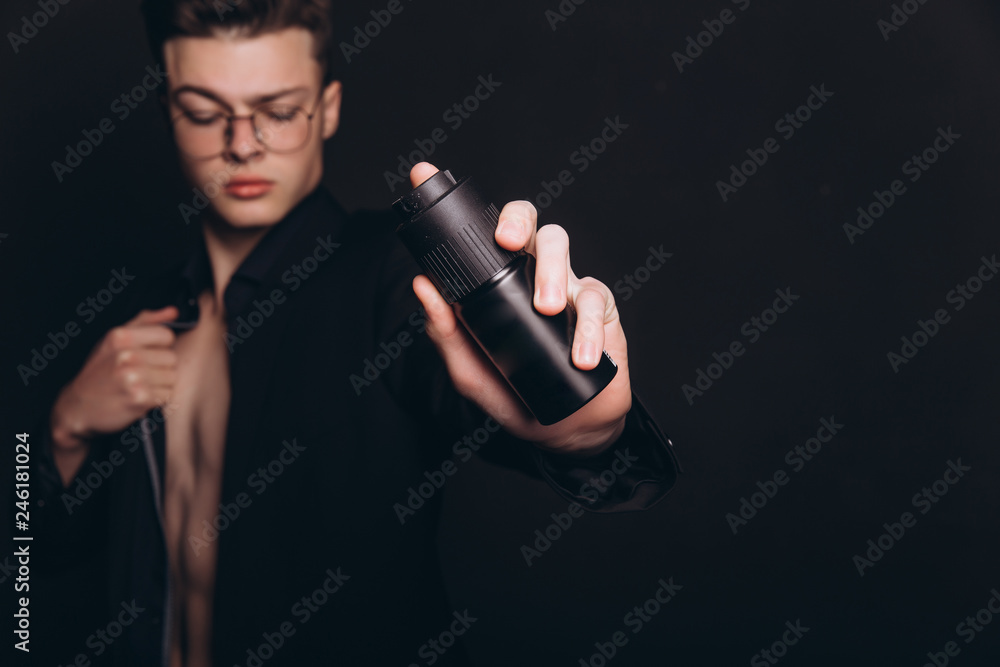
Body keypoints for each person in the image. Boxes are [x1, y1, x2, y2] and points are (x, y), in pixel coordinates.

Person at [34, 1, 679, 665]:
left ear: (328, 107)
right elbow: (37, 561)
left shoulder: (393, 279)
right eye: (203, 112)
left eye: (279, 110)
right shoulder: (134, 318)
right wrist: (62, 430)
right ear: (167, 110)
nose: (243, 143)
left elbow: (607, 466)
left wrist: (589, 431)